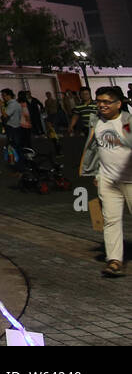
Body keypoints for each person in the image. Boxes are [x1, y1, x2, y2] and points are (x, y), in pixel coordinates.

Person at [79, 87, 132, 276]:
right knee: (111, 221)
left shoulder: (127, 122)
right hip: (108, 180)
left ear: (118, 104)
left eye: (107, 102)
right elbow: (96, 150)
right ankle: (114, 261)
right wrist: (97, 174)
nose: (102, 105)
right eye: (99, 101)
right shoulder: (97, 121)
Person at [0, 89, 24, 168]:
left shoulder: (12, 104)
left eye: (3, 95)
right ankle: (16, 165)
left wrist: (1, 105)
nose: (3, 97)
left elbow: (5, 115)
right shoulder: (13, 104)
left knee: (15, 148)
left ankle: (20, 167)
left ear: (8, 95)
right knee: (12, 147)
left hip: (13, 128)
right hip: (14, 128)